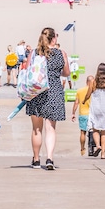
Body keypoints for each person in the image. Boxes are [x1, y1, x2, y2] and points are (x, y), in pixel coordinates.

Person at [24, 27, 70, 170]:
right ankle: (49, 158)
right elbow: (66, 72)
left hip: (36, 92)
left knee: (36, 129)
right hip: (54, 91)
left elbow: (27, 70)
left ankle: (36, 160)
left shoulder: (34, 53)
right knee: (50, 128)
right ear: (54, 39)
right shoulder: (61, 53)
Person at [82, 63, 105, 159]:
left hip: (96, 108)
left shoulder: (93, 82)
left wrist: (84, 101)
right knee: (104, 131)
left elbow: (88, 94)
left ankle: (98, 145)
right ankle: (103, 153)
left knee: (95, 128)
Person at [71, 75, 94, 155]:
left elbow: (76, 103)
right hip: (92, 114)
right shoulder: (93, 91)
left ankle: (82, 148)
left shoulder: (80, 91)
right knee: (93, 132)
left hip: (83, 114)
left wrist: (73, 113)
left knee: (83, 132)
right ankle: (91, 148)